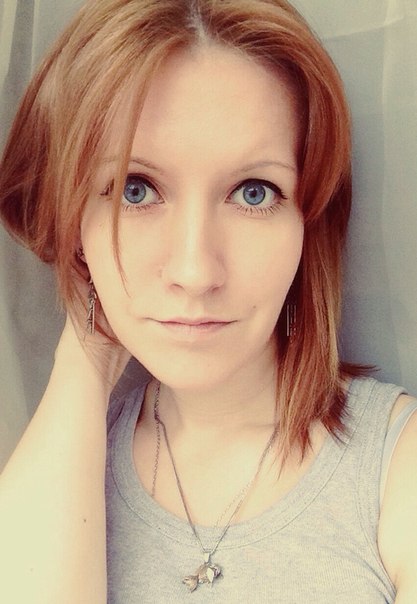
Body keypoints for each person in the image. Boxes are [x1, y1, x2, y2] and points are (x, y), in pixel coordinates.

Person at [0, 0, 416, 602]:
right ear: (73, 225)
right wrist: (85, 357)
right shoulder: (61, 461)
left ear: (308, 224)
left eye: (253, 193)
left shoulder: (395, 468)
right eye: (135, 190)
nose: (195, 272)